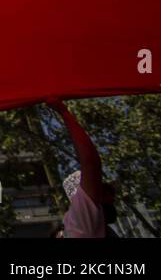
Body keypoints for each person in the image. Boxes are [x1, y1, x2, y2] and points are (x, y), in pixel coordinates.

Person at [46, 97, 118, 238]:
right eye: (103, 190)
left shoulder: (102, 230)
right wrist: (63, 112)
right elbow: (91, 164)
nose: (113, 197)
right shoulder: (81, 220)